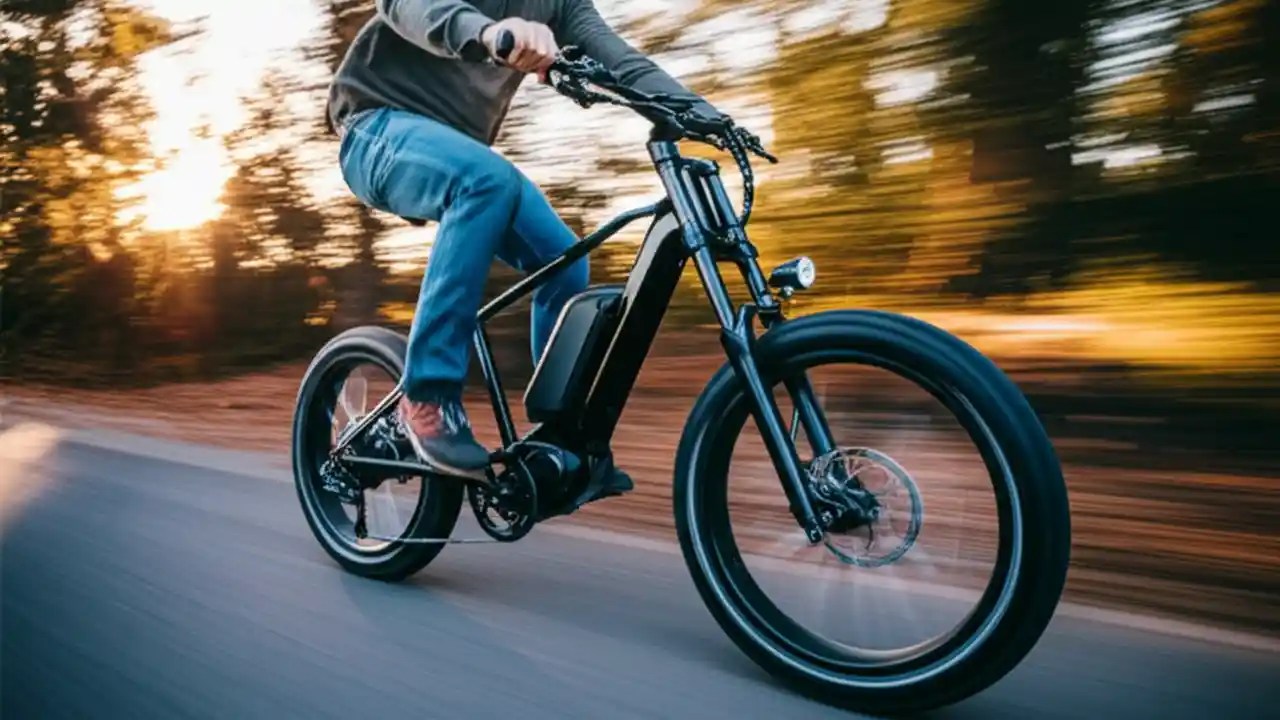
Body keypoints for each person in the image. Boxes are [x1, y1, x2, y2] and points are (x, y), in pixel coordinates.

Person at [328, 1, 715, 484]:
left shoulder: (564, 5)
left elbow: (623, 62)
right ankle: (427, 392)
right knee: (488, 182)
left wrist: (706, 116)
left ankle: (558, 433)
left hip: (458, 153)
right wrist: (489, 33)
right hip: (373, 128)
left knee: (564, 260)